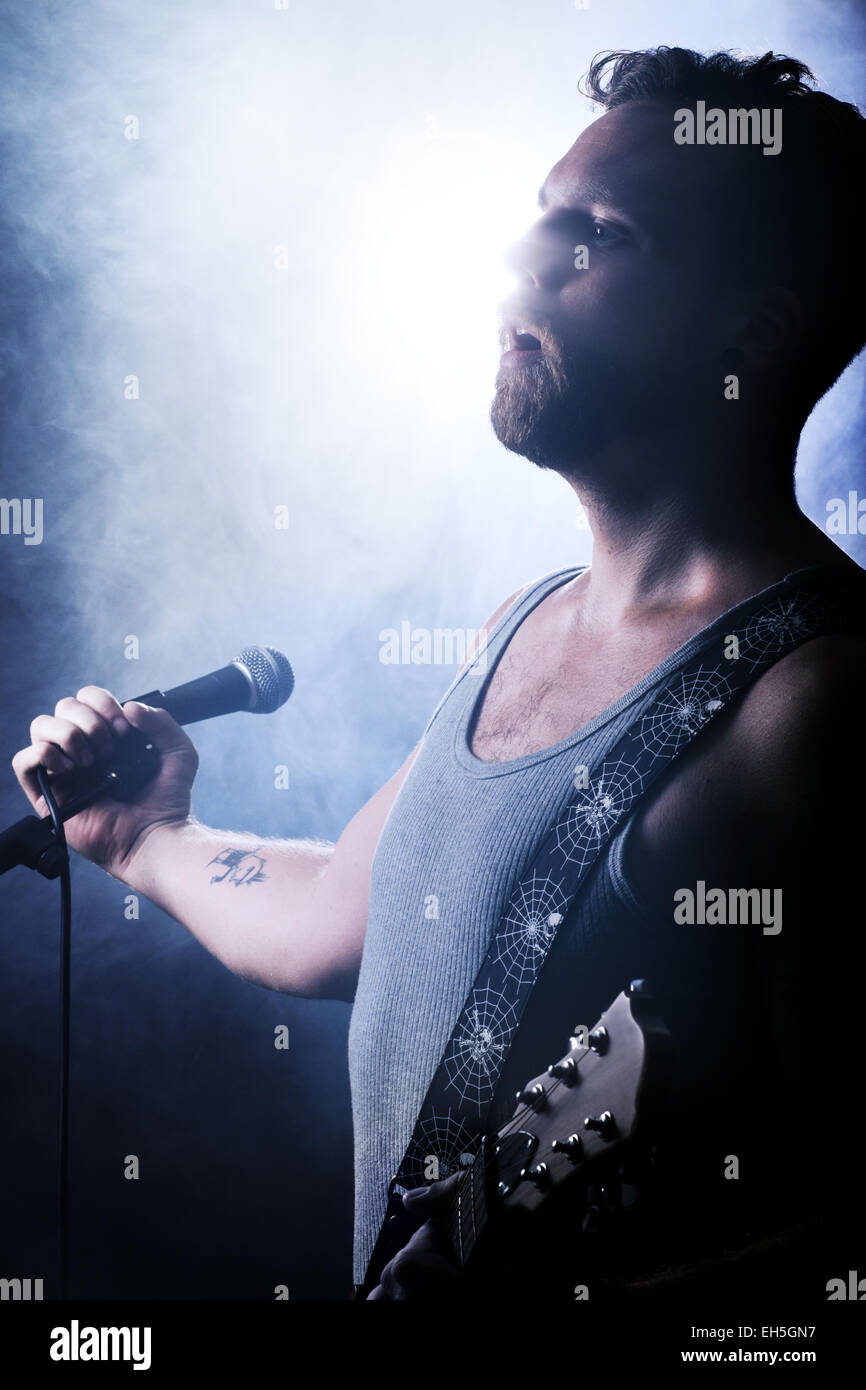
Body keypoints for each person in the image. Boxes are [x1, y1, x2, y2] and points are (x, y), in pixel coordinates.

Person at [12, 47, 866, 1302]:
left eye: (597, 235)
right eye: (537, 223)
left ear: (745, 331)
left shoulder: (817, 703)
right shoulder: (515, 628)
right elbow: (345, 917)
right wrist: (146, 838)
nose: (521, 264)